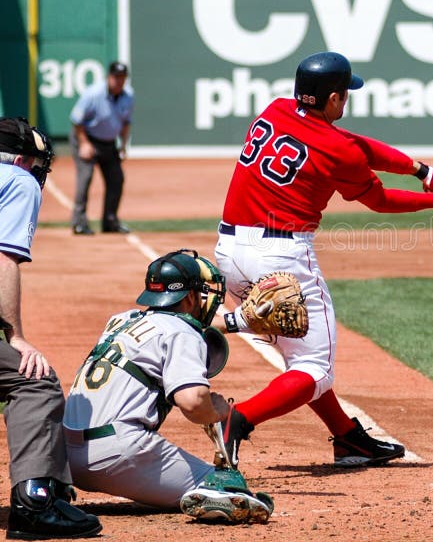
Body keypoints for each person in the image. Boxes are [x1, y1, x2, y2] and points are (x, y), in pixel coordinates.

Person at [214, 51, 433, 469]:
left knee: (300, 356)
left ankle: (348, 439)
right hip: (282, 258)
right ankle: (237, 421)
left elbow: (356, 146)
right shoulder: (338, 151)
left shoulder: (276, 110)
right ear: (333, 98)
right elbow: (380, 200)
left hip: (230, 254)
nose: (347, 101)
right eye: (345, 96)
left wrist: (420, 169)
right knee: (314, 368)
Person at [63, 249, 273, 523]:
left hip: (65, 458)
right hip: (118, 454)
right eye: (202, 292)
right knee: (228, 486)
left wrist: (238, 322)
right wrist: (217, 411)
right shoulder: (182, 332)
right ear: (189, 297)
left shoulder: (120, 320)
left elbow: (166, 326)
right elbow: (193, 402)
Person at [0, 117, 102, 539]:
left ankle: (51, 482)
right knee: (33, 381)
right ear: (22, 159)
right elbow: (3, 260)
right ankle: (35, 502)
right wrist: (15, 336)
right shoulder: (17, 180)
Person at [69, 61, 134, 235]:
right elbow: (77, 121)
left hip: (109, 143)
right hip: (86, 138)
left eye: (122, 77)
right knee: (86, 178)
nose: (119, 81)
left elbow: (126, 123)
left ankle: (110, 221)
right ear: (109, 77)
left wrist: (123, 146)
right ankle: (79, 222)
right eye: (116, 77)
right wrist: (84, 144)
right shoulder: (93, 94)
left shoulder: (128, 96)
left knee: (116, 179)